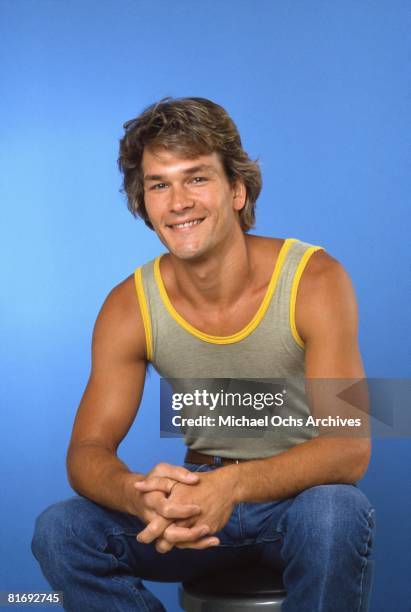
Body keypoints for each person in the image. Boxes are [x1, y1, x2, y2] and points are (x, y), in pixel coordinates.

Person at [32, 97, 376, 611]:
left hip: (296, 509)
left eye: (196, 178)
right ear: (143, 202)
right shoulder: (128, 305)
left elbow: (351, 449)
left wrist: (231, 486)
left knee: (336, 512)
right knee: (61, 528)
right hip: (192, 507)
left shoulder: (317, 279)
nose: (178, 202)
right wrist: (134, 493)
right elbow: (85, 452)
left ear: (237, 190)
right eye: (158, 185)